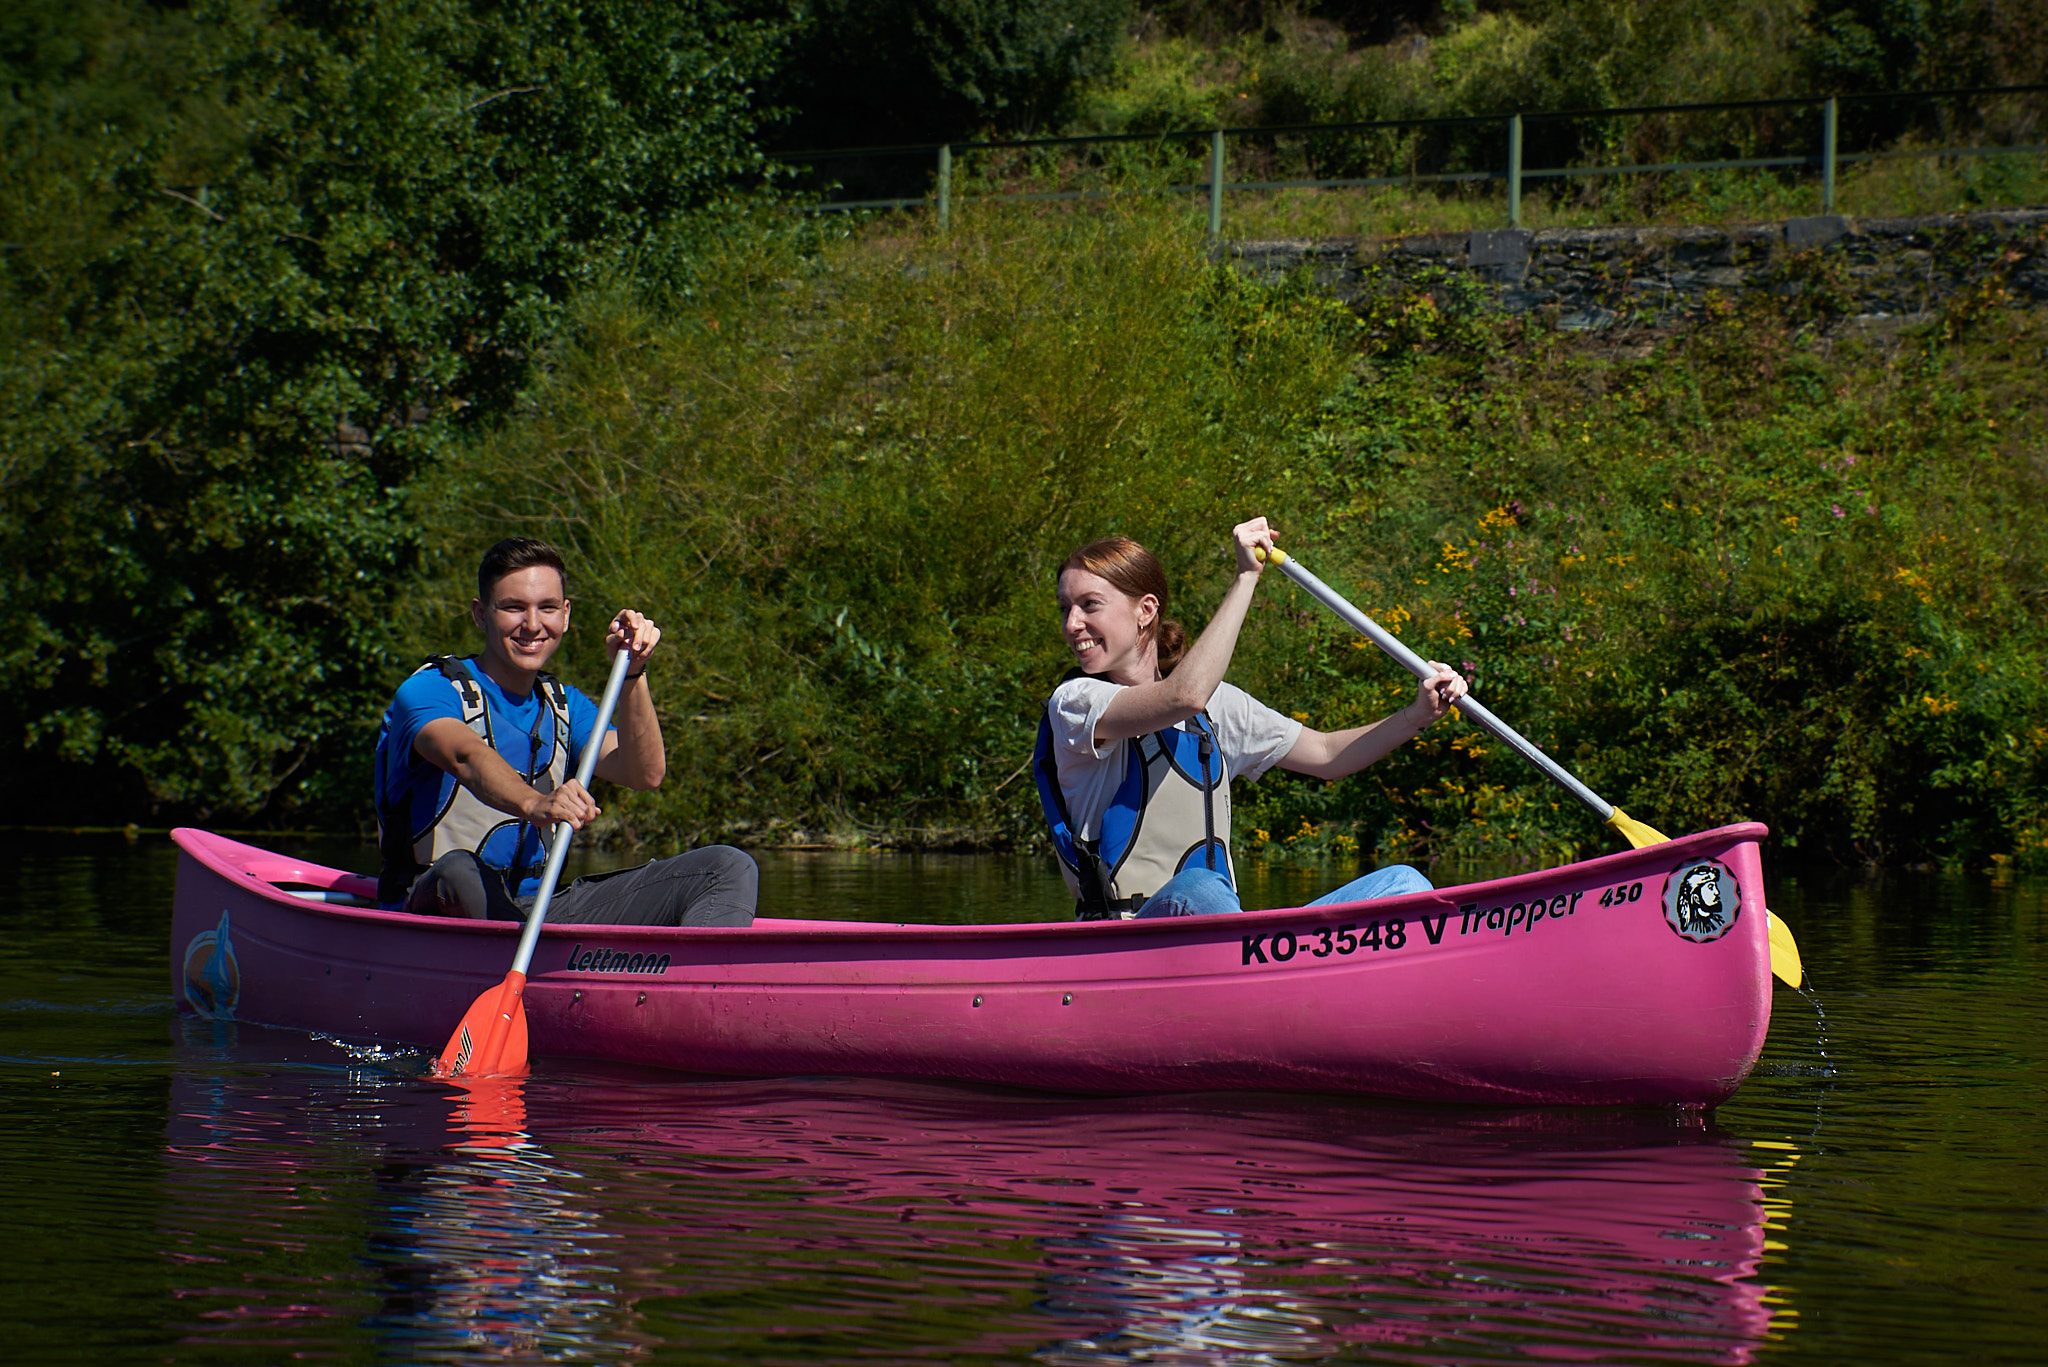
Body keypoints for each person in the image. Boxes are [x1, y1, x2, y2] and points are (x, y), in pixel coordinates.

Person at [1033, 517, 1468, 920]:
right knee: (1201, 886)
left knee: (1406, 884)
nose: (1072, 624)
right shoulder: (1076, 702)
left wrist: (1417, 715)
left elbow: (1328, 755)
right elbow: (1183, 695)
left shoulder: (1219, 708)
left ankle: (1273, 972)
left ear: (1146, 611)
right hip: (1130, 940)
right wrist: (1246, 577)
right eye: (1064, 609)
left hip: (1224, 933)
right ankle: (1255, 970)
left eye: (1089, 605)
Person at [374, 537, 756, 927]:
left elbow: (643, 773)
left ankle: (693, 985)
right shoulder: (429, 690)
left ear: (566, 615)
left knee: (726, 866)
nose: (533, 624)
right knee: (459, 868)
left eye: (548, 608)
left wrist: (633, 672)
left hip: (537, 912)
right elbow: (465, 756)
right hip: (436, 907)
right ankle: (530, 967)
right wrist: (535, 803)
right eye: (513, 608)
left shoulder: (565, 706)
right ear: (481, 614)